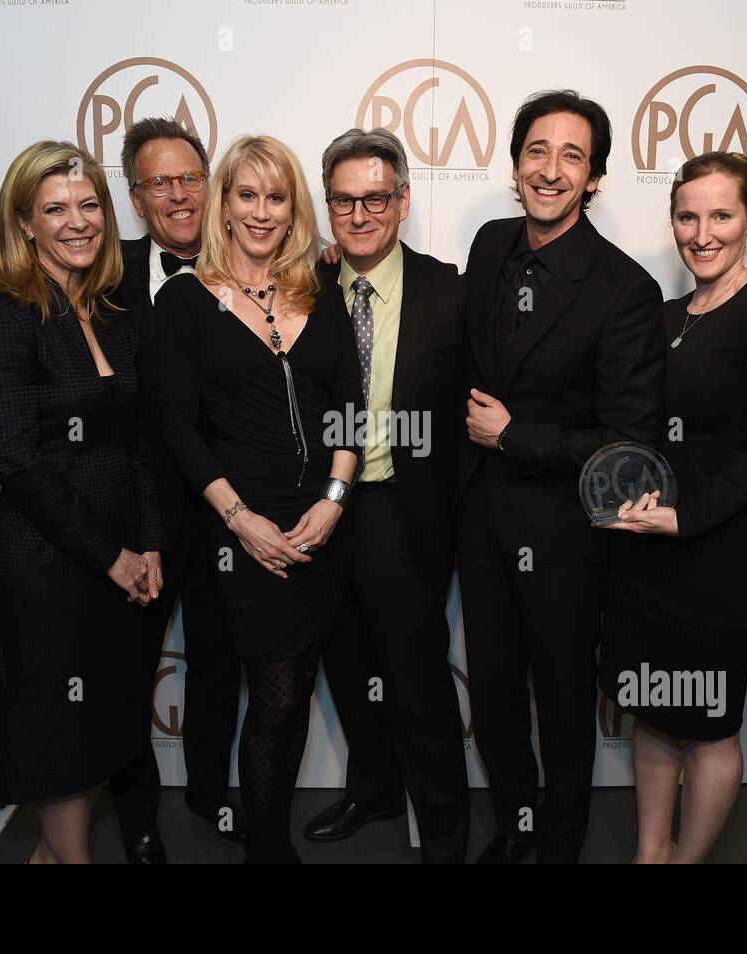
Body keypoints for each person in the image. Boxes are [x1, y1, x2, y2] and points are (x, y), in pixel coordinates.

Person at [455, 90, 667, 863]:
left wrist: (516, 436)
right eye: (536, 151)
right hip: (481, 520)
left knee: (563, 701)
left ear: (595, 177)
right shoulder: (490, 245)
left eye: (572, 155)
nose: (550, 169)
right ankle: (515, 826)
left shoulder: (624, 290)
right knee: (495, 692)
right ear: (515, 165)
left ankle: (557, 844)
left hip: (564, 536)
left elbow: (630, 443)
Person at [599, 152, 747, 863]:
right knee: (656, 712)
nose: (702, 232)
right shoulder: (664, 317)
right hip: (645, 554)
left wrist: (685, 516)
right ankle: (649, 854)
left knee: (711, 725)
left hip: (714, 557)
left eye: (721, 215)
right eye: (688, 216)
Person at [157, 135, 362, 863]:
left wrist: (335, 500)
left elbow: (350, 407)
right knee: (273, 697)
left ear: (294, 208)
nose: (262, 211)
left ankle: (271, 843)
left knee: (297, 691)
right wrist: (240, 521)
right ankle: (268, 851)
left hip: (323, 525)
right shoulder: (185, 300)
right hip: (244, 530)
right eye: (246, 195)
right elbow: (177, 426)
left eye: (277, 197)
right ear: (223, 204)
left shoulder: (320, 290)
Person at [0, 140, 165, 864]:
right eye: (55, 209)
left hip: (119, 558)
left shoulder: (109, 311)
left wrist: (148, 542)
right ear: (24, 223)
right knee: (60, 736)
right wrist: (110, 556)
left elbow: (136, 443)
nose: (77, 222)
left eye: (89, 205)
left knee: (99, 731)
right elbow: (15, 460)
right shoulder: (6, 314)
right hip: (46, 564)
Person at [303, 128, 470, 862]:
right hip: (318, 511)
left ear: (403, 201)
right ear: (328, 207)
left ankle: (443, 831)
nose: (360, 214)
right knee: (346, 665)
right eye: (344, 201)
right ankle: (372, 790)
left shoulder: (449, 290)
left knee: (417, 681)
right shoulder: (301, 288)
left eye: (376, 198)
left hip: (402, 512)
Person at [122, 117, 246, 855]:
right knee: (128, 667)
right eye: (159, 183)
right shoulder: (100, 275)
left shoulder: (252, 261)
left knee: (219, 658)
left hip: (227, 509)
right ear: (136, 198)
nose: (178, 195)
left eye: (190, 178)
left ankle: (209, 792)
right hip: (136, 512)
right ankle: (137, 818)